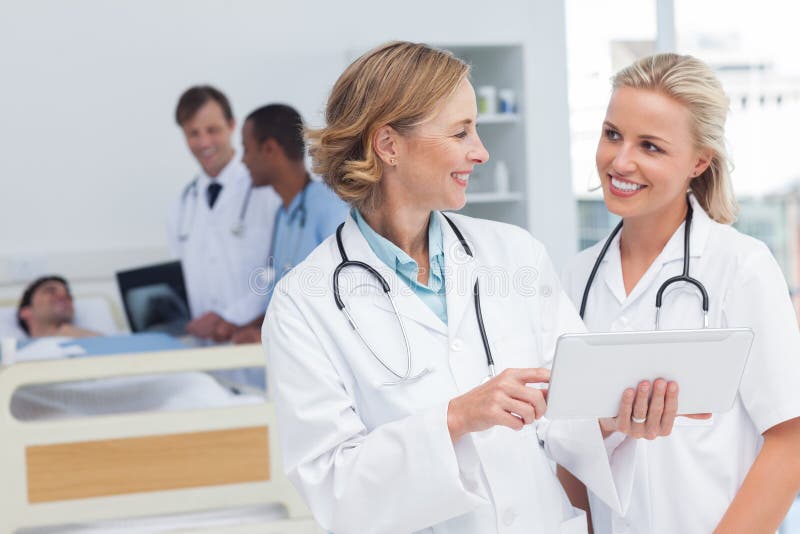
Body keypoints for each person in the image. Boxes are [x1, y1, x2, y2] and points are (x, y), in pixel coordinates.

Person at [263, 41, 675, 534]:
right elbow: (335, 488)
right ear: (388, 144)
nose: (479, 152)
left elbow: (567, 411)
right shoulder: (302, 305)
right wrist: (457, 418)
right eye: (461, 132)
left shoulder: (515, 255)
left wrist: (616, 419)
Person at [561, 53, 800, 533]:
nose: (620, 160)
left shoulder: (741, 266)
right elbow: (569, 448)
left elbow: (790, 437)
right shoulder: (577, 279)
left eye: (650, 146)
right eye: (612, 134)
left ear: (699, 161)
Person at [213, 104, 347, 346]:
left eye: (246, 149)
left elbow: (345, 295)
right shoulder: (283, 216)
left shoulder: (329, 206)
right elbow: (285, 302)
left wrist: (267, 334)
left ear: (270, 149)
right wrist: (244, 327)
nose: (243, 160)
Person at [167, 85, 281, 341]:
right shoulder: (181, 206)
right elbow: (180, 284)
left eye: (212, 130)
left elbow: (280, 271)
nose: (204, 142)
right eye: (193, 133)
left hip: (254, 340)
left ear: (231, 125)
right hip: (202, 348)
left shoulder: (266, 193)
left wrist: (231, 318)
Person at [17, 276, 99, 339]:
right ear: (25, 312)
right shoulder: (15, 356)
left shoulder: (98, 341)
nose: (63, 296)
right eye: (50, 291)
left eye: (67, 294)